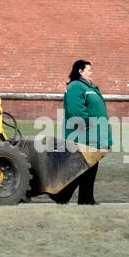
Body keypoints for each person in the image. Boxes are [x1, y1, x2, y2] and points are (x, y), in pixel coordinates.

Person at [53, 59, 111, 206]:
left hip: (93, 134)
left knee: (91, 166)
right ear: (80, 71)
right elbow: (74, 107)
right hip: (82, 134)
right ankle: (61, 196)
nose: (91, 72)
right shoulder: (75, 87)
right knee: (82, 168)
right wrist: (83, 122)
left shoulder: (89, 87)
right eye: (89, 70)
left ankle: (86, 198)